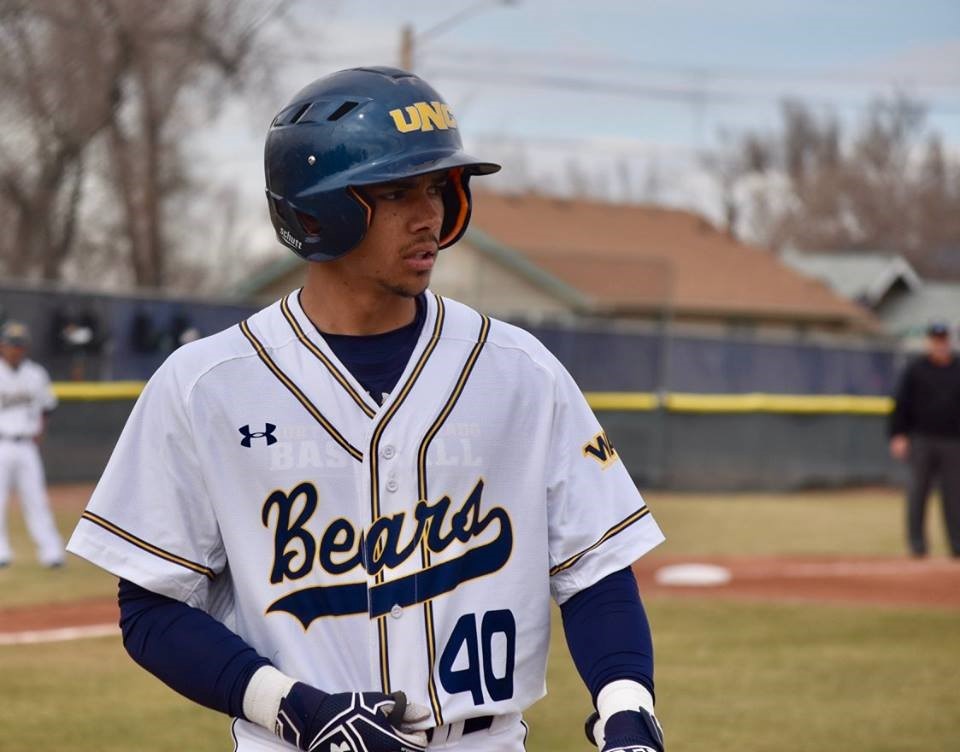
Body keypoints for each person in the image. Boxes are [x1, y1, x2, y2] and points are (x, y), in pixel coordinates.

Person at [67, 66, 666, 752]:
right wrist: (293, 707)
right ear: (319, 210)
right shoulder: (208, 385)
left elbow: (593, 570)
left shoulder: (520, 370)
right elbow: (151, 609)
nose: (430, 213)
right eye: (396, 190)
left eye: (440, 187)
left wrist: (626, 706)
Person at [888, 321, 960, 557]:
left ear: (949, 341)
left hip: (954, 441)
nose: (940, 344)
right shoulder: (916, 369)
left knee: (954, 496)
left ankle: (957, 546)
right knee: (918, 492)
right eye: (935, 340)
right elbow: (901, 404)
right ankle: (917, 546)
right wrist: (898, 434)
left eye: (943, 340)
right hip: (921, 440)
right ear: (929, 342)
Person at [0, 320, 64, 568]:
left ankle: (51, 553)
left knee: (36, 499)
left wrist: (41, 429)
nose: (16, 350)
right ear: (2, 346)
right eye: (11, 345)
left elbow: (48, 406)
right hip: (2, 443)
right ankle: (1, 552)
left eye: (20, 345)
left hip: (27, 444)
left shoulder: (36, 373)